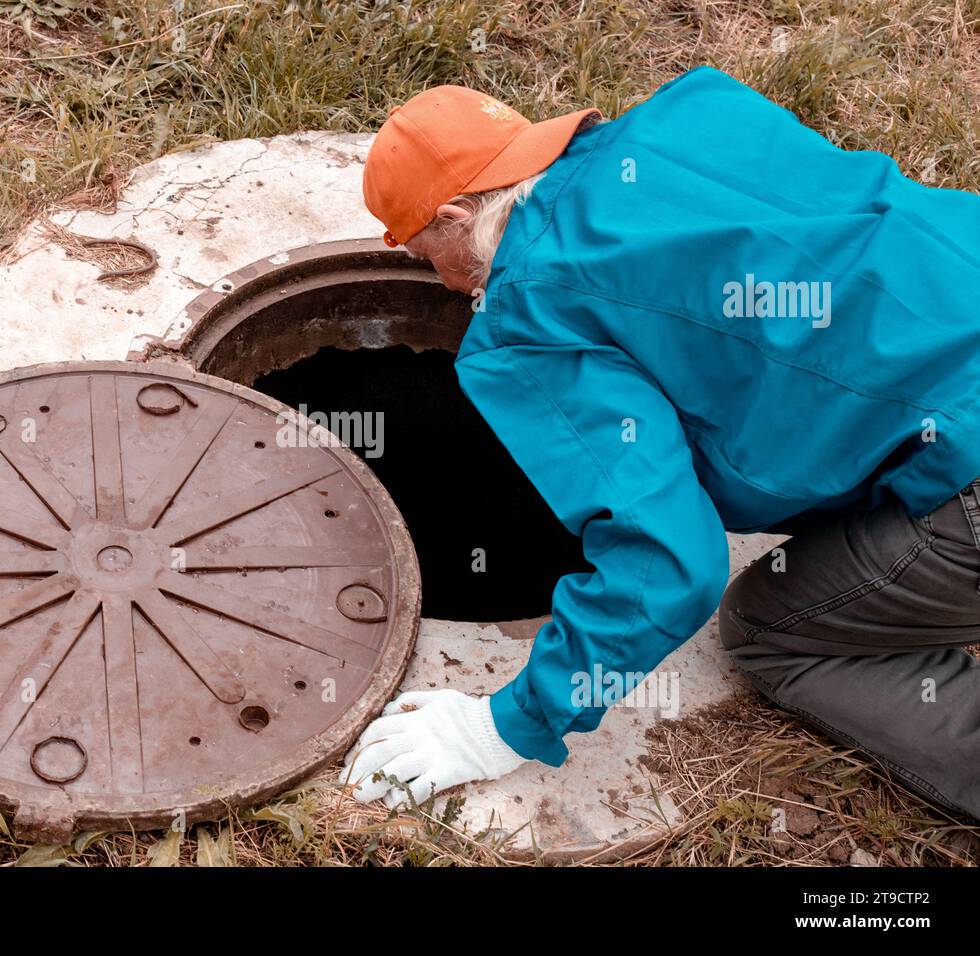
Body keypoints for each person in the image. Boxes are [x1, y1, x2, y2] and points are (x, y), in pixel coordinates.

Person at [339, 66, 980, 819]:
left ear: (454, 215)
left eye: (426, 258)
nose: (446, 286)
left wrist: (504, 727)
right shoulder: (691, 112)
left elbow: (671, 561)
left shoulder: (531, 316)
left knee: (770, 625)